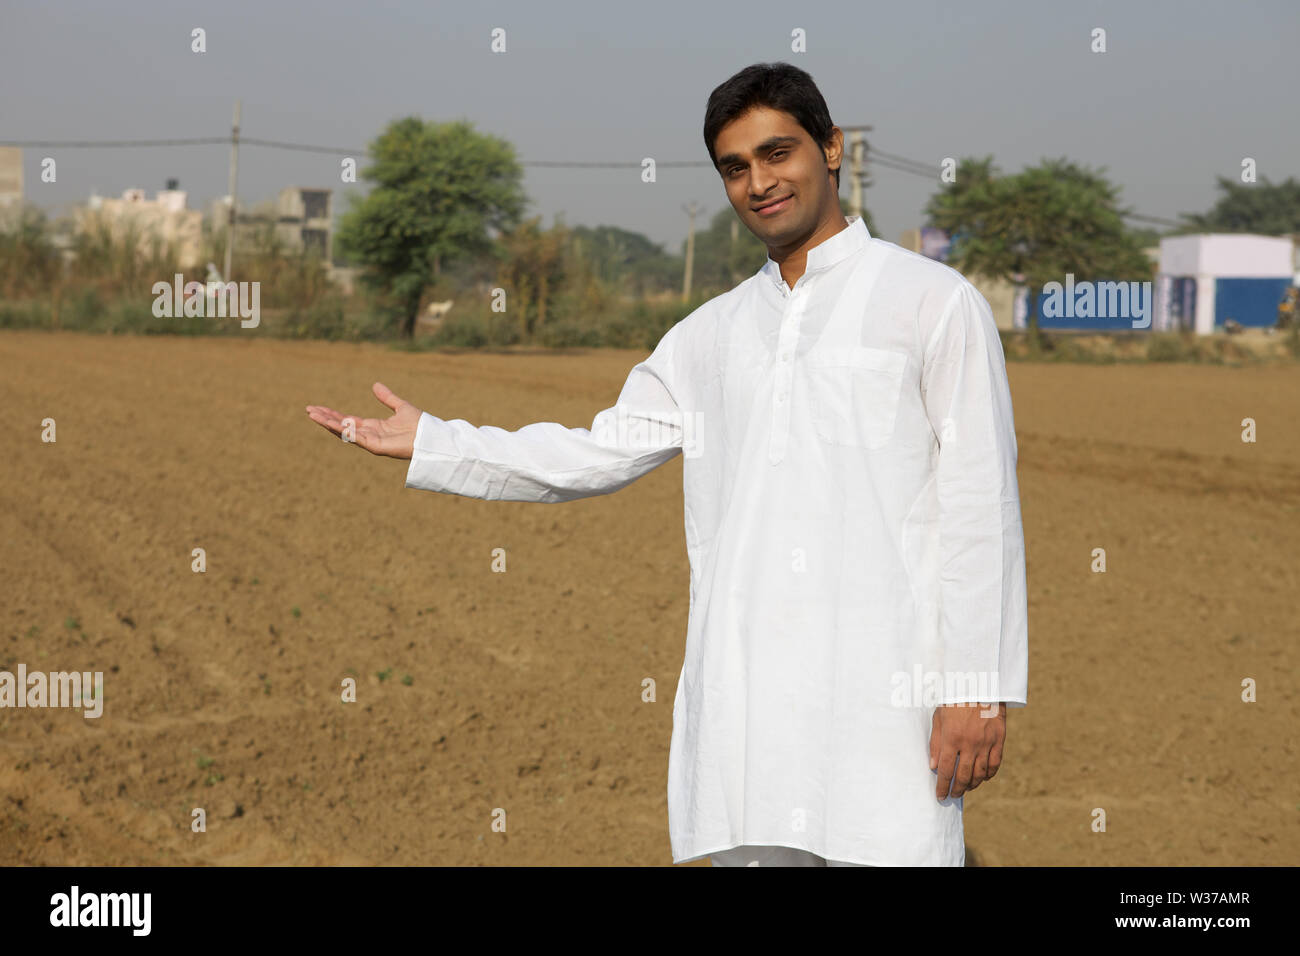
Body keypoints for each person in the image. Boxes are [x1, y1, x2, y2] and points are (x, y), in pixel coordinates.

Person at [306, 61, 1028, 867]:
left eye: (777, 153)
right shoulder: (707, 336)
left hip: (886, 700)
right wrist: (439, 441)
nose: (759, 182)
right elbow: (594, 450)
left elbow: (981, 503)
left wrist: (974, 689)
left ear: (831, 149)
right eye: (735, 167)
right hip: (746, 708)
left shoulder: (930, 302)